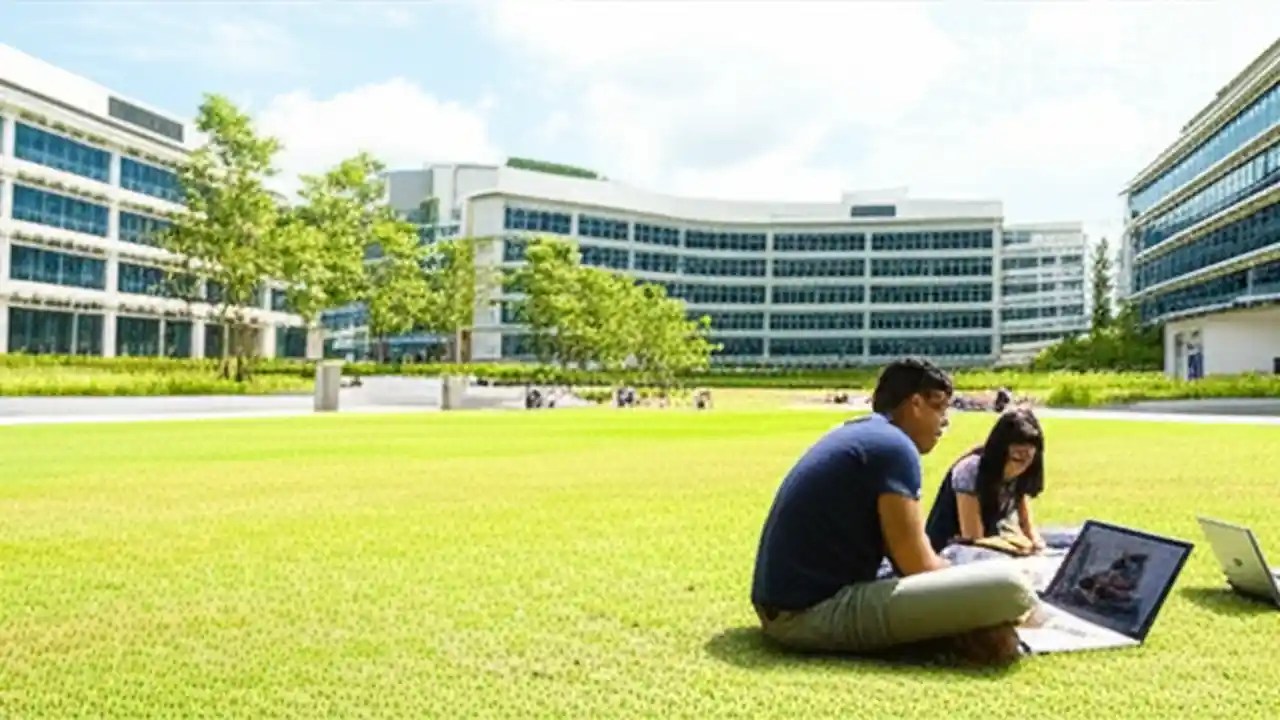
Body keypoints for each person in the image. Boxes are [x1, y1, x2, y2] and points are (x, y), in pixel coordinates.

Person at [750, 357, 1037, 665]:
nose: (945, 421)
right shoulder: (895, 447)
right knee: (1012, 588)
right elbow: (918, 565)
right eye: (940, 408)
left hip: (788, 606)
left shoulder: (867, 434)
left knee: (981, 577)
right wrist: (966, 583)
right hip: (809, 614)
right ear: (915, 404)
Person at [924, 408, 1047, 554]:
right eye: (1016, 459)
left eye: (1027, 461)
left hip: (990, 546)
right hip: (951, 550)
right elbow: (973, 538)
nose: (1019, 468)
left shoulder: (1022, 474)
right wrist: (1015, 545)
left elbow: (1028, 529)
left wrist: (1036, 545)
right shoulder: (970, 470)